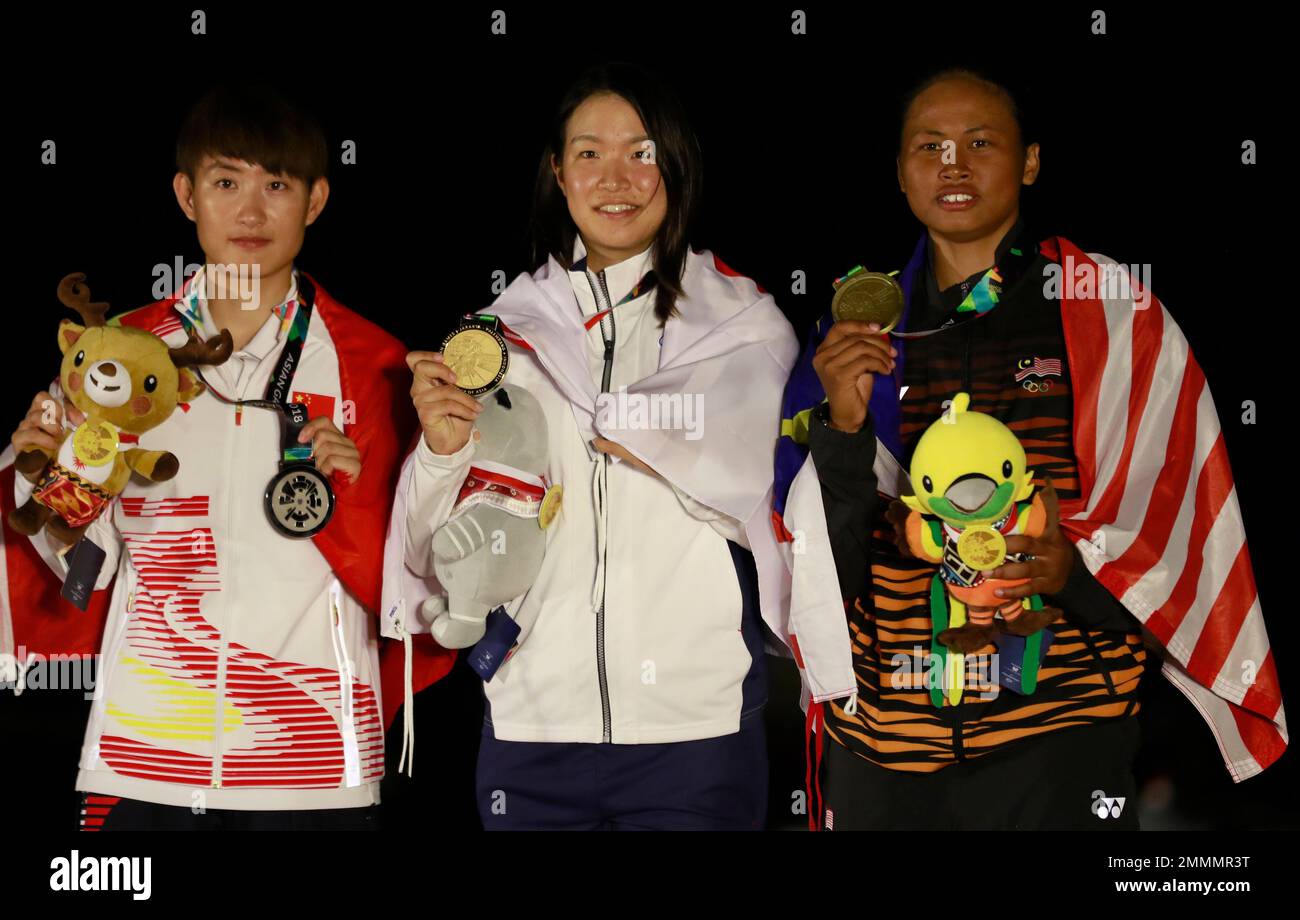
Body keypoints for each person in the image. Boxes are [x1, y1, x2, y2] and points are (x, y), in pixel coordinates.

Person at [772, 68, 1287, 830]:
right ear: (902, 174)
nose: (954, 164)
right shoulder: (856, 335)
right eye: (930, 146)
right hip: (885, 751)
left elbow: (1178, 553)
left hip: (1059, 744)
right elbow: (819, 576)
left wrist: (1072, 574)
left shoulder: (1110, 318)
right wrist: (843, 432)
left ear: (1030, 162)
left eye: (980, 142)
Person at [1, 84, 453, 830]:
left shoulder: (374, 365)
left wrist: (368, 492)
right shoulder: (113, 361)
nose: (250, 211)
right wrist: (46, 478)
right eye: (225, 182)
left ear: (315, 201)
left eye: (277, 184)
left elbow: (422, 579)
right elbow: (88, 563)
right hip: (148, 746)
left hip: (316, 761)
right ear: (186, 195)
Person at [383, 62, 798, 830]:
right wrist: (442, 452)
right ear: (557, 172)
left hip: (695, 729)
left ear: (676, 164)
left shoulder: (744, 325)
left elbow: (768, 501)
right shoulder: (499, 334)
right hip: (534, 725)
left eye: (641, 152)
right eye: (588, 153)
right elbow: (428, 545)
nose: (617, 179)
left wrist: (648, 436)